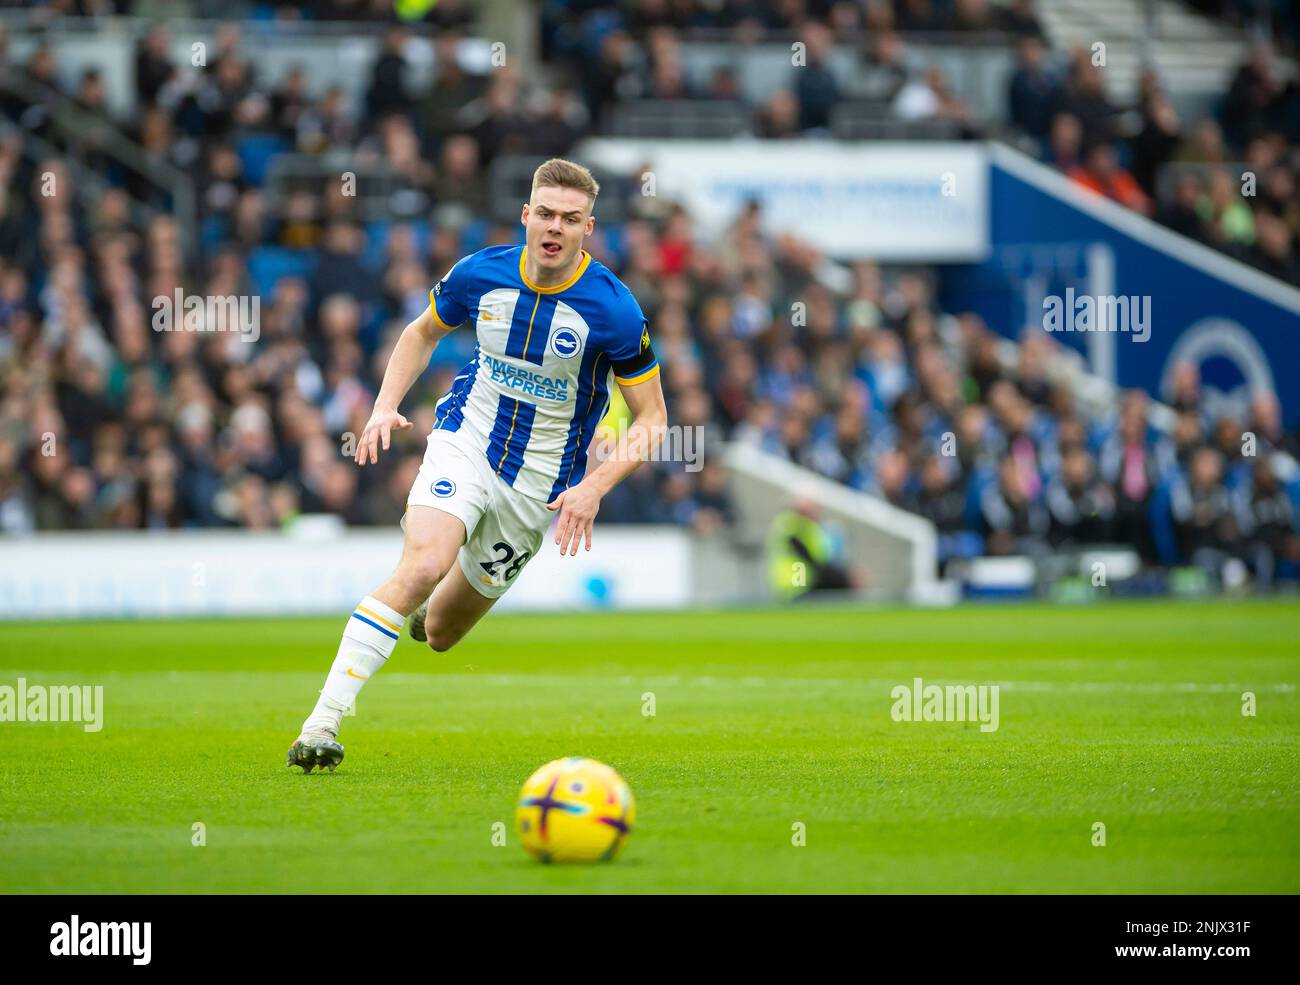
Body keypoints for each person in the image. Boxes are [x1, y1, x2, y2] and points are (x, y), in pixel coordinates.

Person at [287, 159, 668, 772]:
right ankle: (322, 723)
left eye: (570, 219)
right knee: (425, 563)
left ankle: (419, 607)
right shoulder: (480, 274)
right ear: (525, 215)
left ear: (587, 229)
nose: (554, 227)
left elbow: (652, 418)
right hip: (465, 440)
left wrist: (594, 488)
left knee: (440, 633)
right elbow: (419, 334)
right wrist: (384, 408)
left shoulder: (614, 312)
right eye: (544, 213)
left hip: (540, 487)